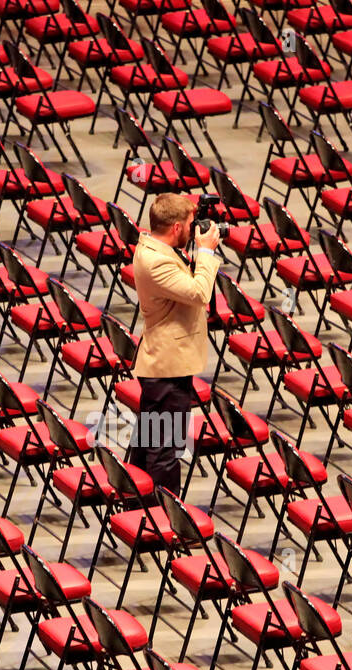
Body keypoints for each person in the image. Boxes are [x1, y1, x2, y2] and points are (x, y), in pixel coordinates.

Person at [126, 193, 221, 495]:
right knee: (165, 451)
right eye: (192, 225)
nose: (197, 230)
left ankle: (136, 509)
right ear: (177, 228)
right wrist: (206, 252)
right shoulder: (156, 261)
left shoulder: (157, 247)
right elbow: (199, 292)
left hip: (163, 363)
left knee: (148, 442)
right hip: (166, 366)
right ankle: (164, 523)